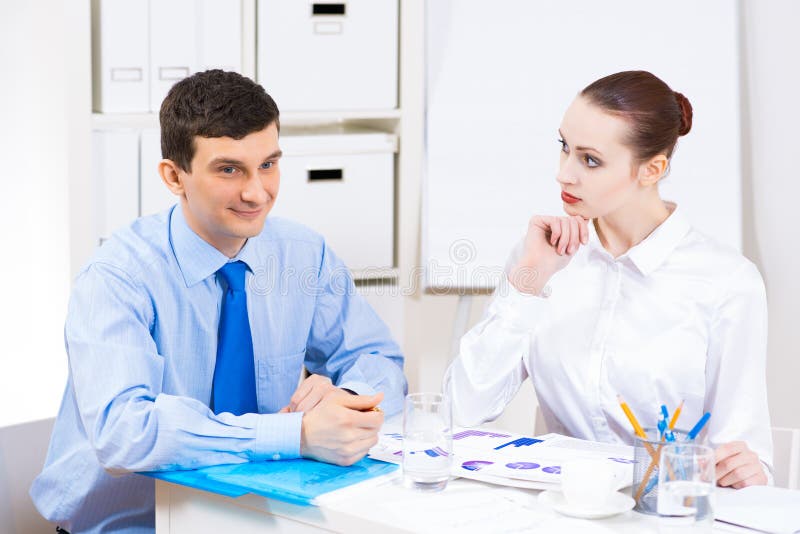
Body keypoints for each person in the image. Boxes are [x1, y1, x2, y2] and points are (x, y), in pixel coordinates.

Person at [31, 69, 407, 533]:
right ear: (174, 176)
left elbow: (378, 358)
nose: (256, 193)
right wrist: (299, 434)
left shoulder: (304, 254)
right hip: (134, 526)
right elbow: (123, 434)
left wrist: (346, 401)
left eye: (268, 165)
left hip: (264, 517)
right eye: (229, 169)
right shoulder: (117, 277)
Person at [444, 70, 772, 489]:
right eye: (564, 148)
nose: (564, 174)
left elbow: (745, 461)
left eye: (590, 160)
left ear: (652, 169)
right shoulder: (545, 256)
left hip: (666, 514)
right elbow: (458, 412)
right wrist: (528, 286)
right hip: (559, 511)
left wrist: (748, 472)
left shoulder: (726, 281)